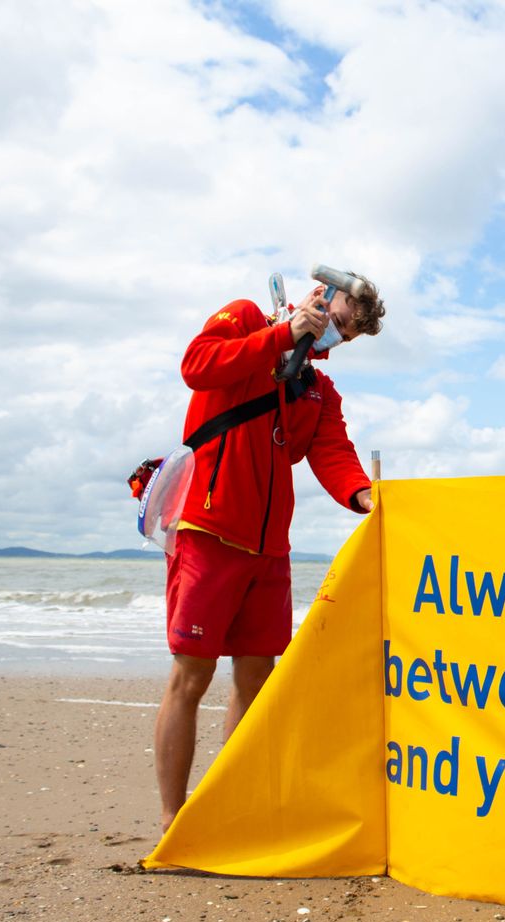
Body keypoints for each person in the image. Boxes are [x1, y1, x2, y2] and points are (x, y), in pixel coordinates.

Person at [153, 276, 385, 829]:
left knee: (257, 676)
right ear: (319, 295)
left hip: (270, 550)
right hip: (207, 532)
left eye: (348, 336)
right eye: (340, 319)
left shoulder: (318, 390)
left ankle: (232, 808)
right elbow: (197, 366)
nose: (338, 336)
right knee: (191, 677)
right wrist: (279, 336)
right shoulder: (246, 320)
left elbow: (332, 452)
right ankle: (172, 820)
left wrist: (365, 497)